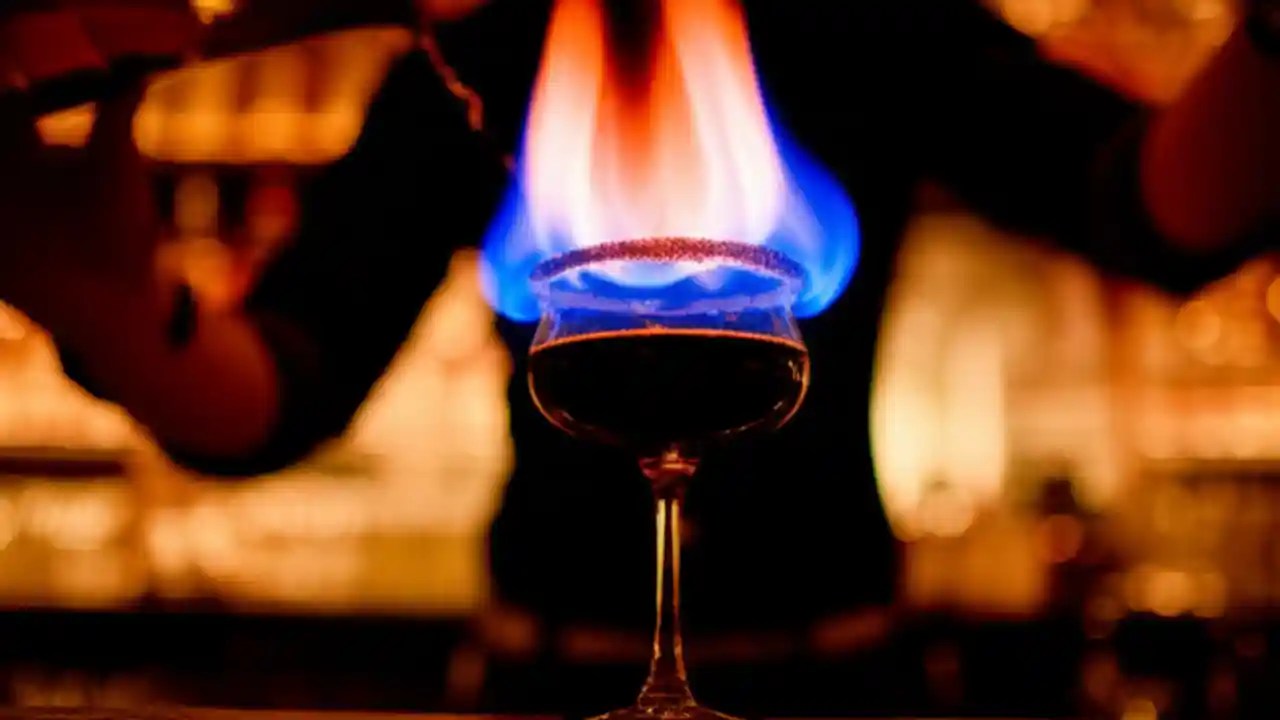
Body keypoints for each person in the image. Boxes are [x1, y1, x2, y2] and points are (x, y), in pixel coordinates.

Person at [1, 0, 1279, 714]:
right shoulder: (473, 48)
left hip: (848, 687)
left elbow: (1150, 213)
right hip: (534, 689)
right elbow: (281, 387)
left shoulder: (876, 20)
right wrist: (113, 309)